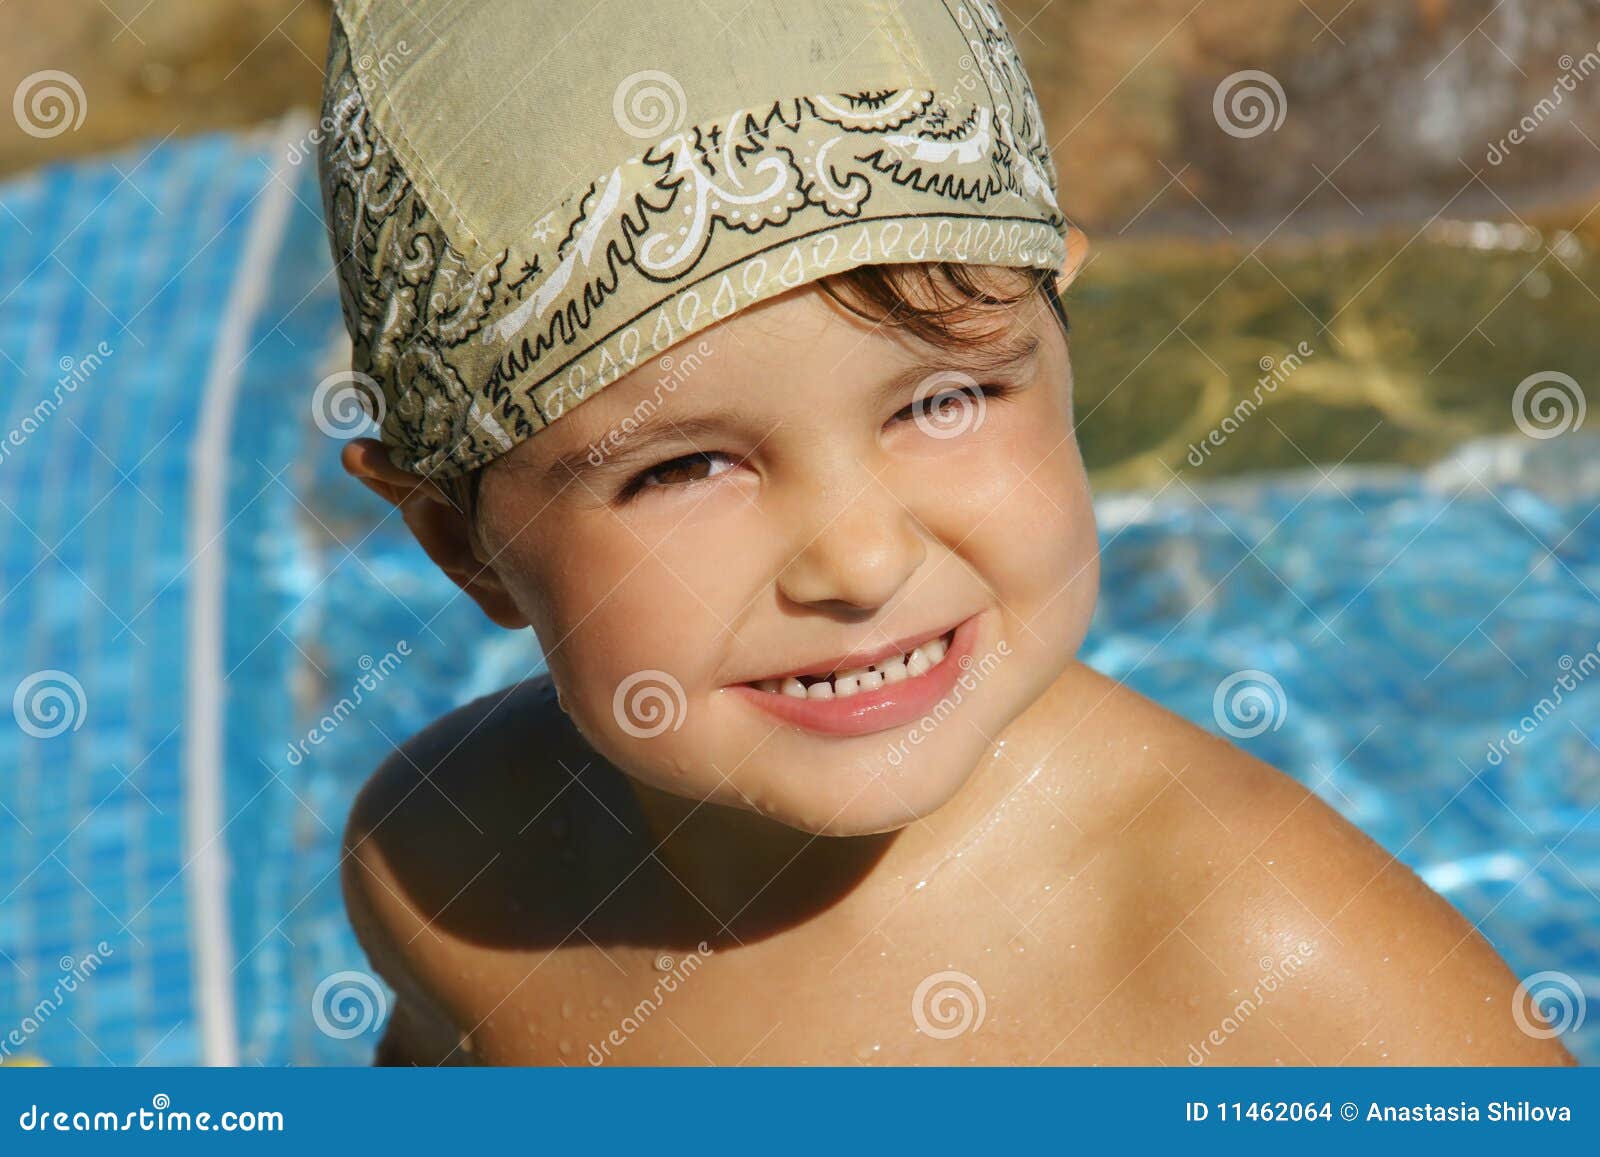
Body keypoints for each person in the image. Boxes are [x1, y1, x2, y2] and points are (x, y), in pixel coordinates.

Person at [316, 0, 1574, 1066]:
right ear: (456, 540)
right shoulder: (453, 873)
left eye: (941, 398)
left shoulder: (1291, 981)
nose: (861, 564)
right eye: (685, 465)